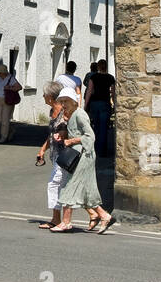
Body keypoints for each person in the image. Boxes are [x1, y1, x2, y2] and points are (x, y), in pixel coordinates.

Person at [50, 86, 114, 234]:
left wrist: (71, 141)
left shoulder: (80, 114)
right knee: (84, 188)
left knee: (69, 185)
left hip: (84, 155)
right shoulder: (72, 114)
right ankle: (104, 215)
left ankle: (66, 222)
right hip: (77, 155)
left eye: (66, 101)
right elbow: (75, 132)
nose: (64, 104)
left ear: (74, 101)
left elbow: (90, 136)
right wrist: (63, 134)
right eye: (62, 101)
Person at [36, 81, 68, 228]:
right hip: (56, 155)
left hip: (66, 155)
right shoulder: (52, 112)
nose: (43, 96)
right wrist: (43, 149)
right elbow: (51, 135)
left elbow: (69, 131)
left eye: (44, 94)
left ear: (50, 96)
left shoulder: (65, 112)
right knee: (59, 185)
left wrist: (63, 135)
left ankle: (98, 213)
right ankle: (56, 219)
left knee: (55, 184)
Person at [85, 58, 116, 158]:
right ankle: (103, 150)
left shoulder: (94, 77)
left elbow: (89, 91)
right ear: (106, 67)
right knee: (104, 127)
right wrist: (115, 104)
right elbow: (113, 92)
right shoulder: (110, 78)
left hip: (94, 103)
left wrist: (85, 105)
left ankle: (96, 149)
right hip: (105, 103)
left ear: (98, 67)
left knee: (96, 126)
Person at [0, 62, 22, 143]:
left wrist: (10, 87)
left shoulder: (11, 78)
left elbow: (19, 87)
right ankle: (10, 129)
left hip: (8, 100)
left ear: (4, 72)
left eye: (0, 73)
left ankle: (3, 137)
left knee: (5, 120)